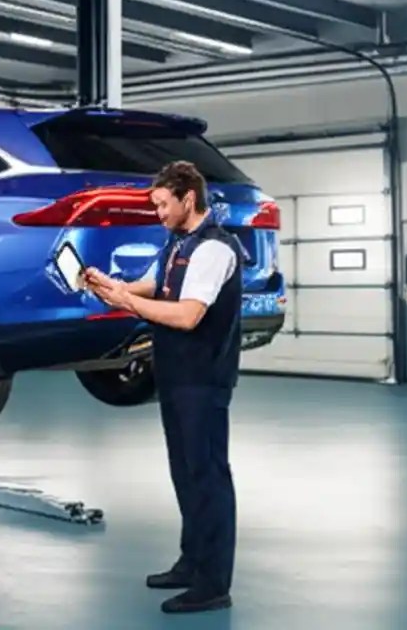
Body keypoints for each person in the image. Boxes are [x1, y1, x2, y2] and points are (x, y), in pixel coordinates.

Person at [84, 160, 243, 615]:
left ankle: (213, 583)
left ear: (187, 198)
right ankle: (191, 562)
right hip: (175, 376)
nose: (157, 213)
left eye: (161, 204)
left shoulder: (213, 249)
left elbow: (188, 314)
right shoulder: (179, 244)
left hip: (203, 378)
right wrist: (112, 288)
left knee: (208, 475)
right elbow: (157, 287)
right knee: (185, 472)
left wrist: (129, 302)